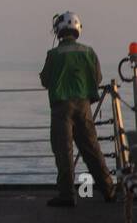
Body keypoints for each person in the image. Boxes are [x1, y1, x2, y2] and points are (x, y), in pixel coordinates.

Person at [39, 11, 115, 207]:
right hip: (83, 106)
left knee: (64, 151)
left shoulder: (54, 54)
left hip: (61, 108)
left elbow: (45, 80)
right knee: (92, 149)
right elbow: (97, 78)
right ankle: (109, 190)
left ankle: (66, 195)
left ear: (59, 31)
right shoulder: (89, 52)